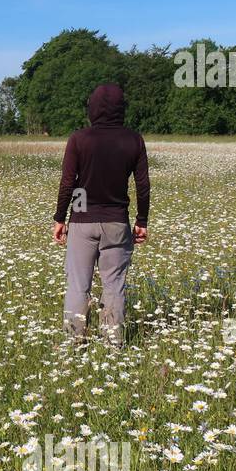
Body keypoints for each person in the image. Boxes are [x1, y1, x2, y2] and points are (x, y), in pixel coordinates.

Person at [52, 83, 150, 346]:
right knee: (114, 284)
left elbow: (68, 182)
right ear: (121, 109)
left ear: (92, 108)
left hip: (83, 217)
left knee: (78, 285)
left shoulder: (79, 139)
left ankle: (74, 342)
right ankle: (113, 343)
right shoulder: (133, 140)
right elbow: (142, 184)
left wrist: (60, 218)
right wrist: (142, 221)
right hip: (117, 219)